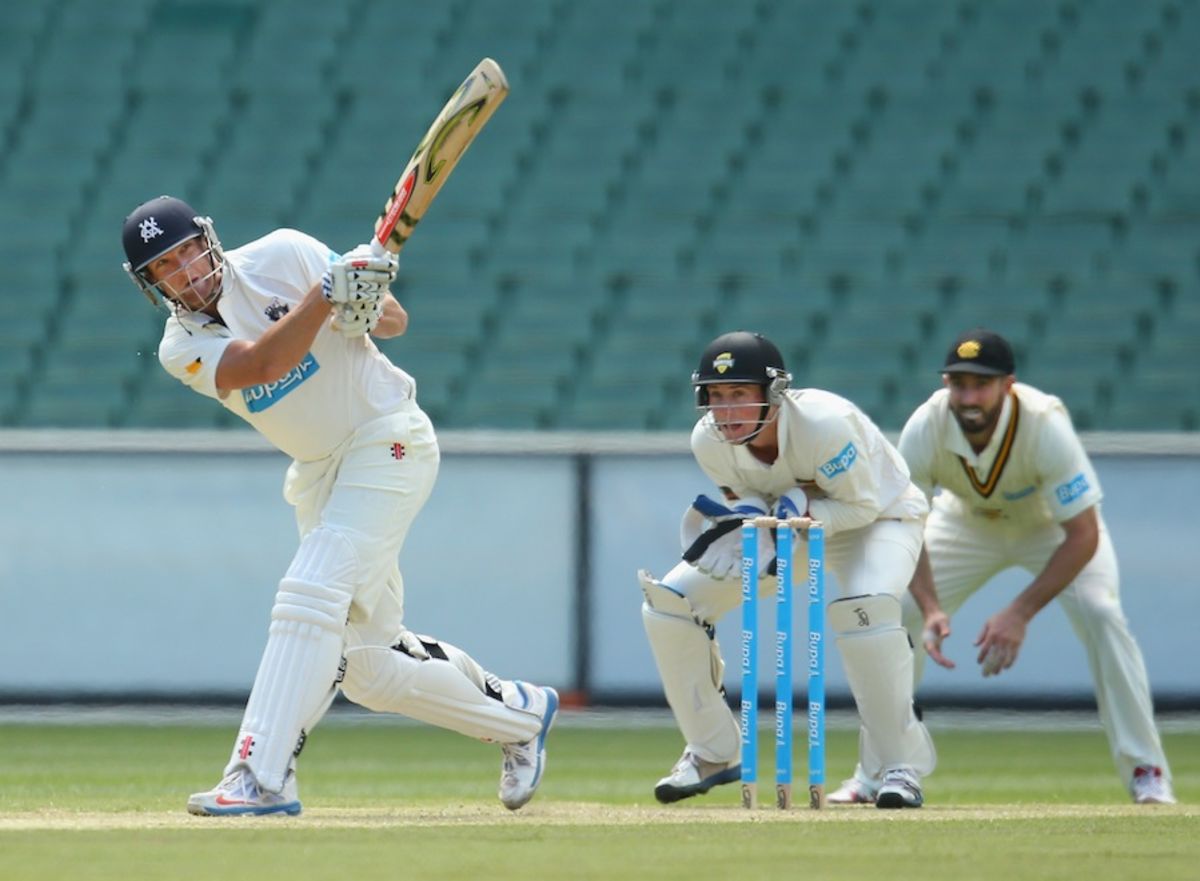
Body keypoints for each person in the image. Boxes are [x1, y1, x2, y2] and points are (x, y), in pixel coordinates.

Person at [120, 195, 558, 816]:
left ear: (209, 240)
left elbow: (393, 322)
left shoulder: (284, 252)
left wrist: (361, 299)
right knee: (368, 669)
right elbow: (265, 362)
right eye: (167, 266)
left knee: (309, 587)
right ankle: (519, 717)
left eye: (189, 251)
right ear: (151, 285)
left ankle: (259, 775)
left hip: (389, 436)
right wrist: (325, 298)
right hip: (321, 472)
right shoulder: (180, 346)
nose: (187, 271)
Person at [831, 327, 1175, 805]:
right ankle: (882, 770)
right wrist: (930, 608)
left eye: (981, 384)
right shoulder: (927, 425)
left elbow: (1084, 534)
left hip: (1051, 527)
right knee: (897, 608)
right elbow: (901, 522)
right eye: (958, 383)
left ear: (1007, 385)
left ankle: (1146, 769)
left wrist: (1020, 613)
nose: (968, 396)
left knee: (1101, 611)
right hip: (966, 523)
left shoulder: (1043, 424)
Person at [639, 330, 936, 809]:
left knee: (863, 610)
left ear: (773, 394)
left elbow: (859, 507)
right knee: (670, 602)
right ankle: (714, 751)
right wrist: (750, 523)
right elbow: (746, 497)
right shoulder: (709, 442)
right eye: (715, 397)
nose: (725, 411)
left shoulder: (824, 423)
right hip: (792, 527)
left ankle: (898, 765)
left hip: (879, 519)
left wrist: (793, 515)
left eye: (739, 395)